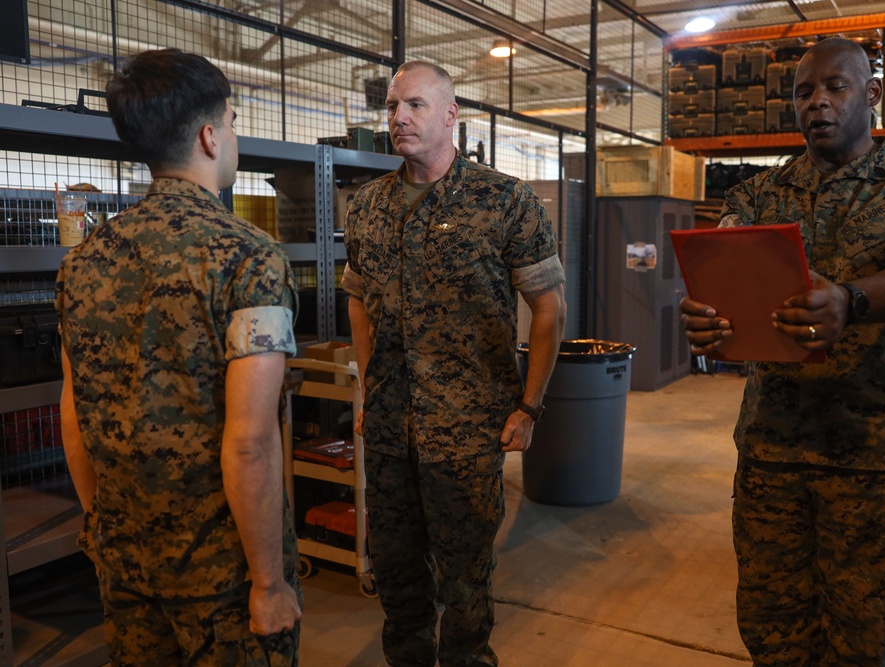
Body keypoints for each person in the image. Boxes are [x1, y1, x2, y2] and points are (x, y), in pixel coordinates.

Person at [681, 37, 885, 666]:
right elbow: (720, 273)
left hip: (872, 457)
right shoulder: (757, 196)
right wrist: (706, 318)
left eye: (835, 87)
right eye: (803, 91)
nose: (817, 102)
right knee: (772, 631)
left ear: (870, 94)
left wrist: (852, 300)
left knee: (859, 639)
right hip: (772, 453)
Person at [56, 48, 302, 665]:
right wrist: (269, 584)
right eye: (235, 121)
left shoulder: (84, 260)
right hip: (224, 575)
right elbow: (249, 442)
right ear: (210, 136)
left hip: (126, 560)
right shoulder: (250, 259)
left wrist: (100, 530)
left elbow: (74, 414)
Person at [341, 60, 567, 666]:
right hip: (390, 432)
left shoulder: (504, 201)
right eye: (392, 107)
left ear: (450, 115)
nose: (398, 118)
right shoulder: (366, 208)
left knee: (465, 584)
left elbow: (549, 309)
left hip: (466, 433)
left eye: (414, 105)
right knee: (395, 574)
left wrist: (529, 405)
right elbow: (357, 299)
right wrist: (372, 385)